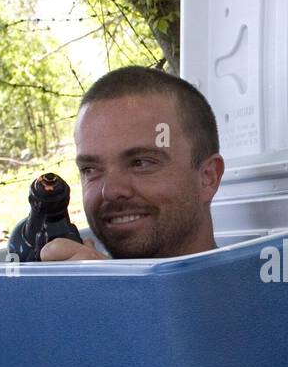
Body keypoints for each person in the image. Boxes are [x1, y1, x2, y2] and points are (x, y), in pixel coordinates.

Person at [40, 66, 225, 261]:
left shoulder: (254, 287)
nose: (110, 191)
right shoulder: (75, 286)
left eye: (140, 163)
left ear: (208, 177)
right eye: (90, 169)